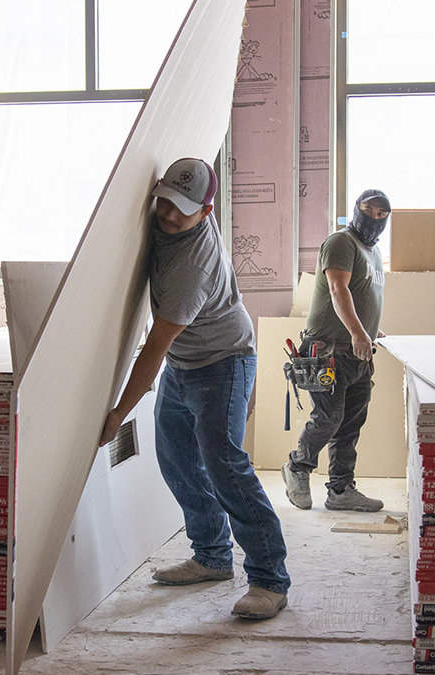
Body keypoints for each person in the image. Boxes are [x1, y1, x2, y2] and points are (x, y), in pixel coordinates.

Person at [99, 157, 290, 620]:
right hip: (186, 363)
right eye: (163, 203)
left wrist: (118, 413)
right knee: (177, 460)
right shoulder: (170, 219)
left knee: (226, 468)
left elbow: (155, 349)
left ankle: (269, 579)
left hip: (222, 363)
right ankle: (211, 555)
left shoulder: (191, 268)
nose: (166, 216)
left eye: (180, 210)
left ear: (205, 214)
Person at [281, 189, 390, 512]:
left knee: (350, 423)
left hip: (357, 351)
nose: (374, 217)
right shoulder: (341, 242)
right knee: (329, 418)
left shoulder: (372, 252)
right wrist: (358, 332)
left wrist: (370, 331)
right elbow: (336, 288)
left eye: (381, 214)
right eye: (368, 210)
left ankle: (341, 491)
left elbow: (361, 294)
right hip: (330, 350)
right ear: (356, 209)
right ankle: (297, 467)